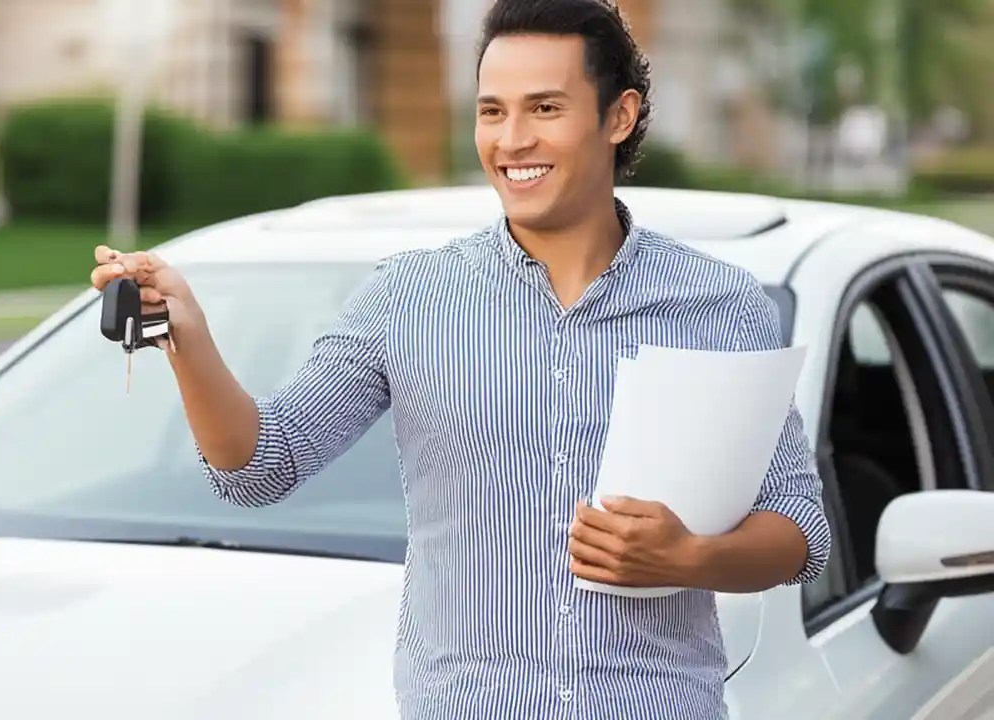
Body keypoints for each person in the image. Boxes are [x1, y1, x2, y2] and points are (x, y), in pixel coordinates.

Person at [89, 0, 831, 717]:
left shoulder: (719, 305)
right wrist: (187, 337)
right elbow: (260, 466)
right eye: (491, 111)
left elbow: (800, 530)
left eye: (545, 109)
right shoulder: (408, 298)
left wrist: (689, 558)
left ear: (619, 116)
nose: (511, 141)